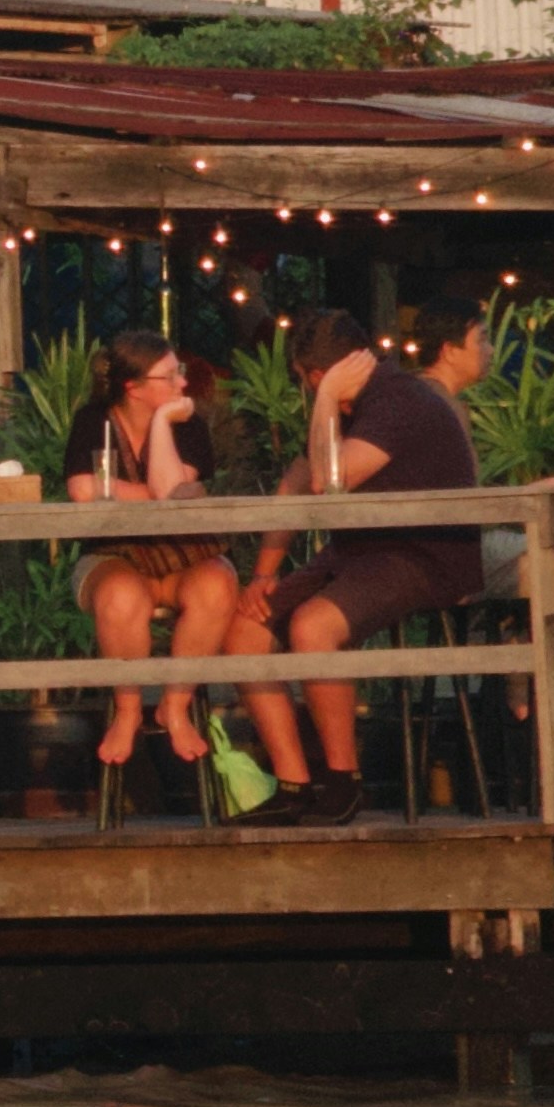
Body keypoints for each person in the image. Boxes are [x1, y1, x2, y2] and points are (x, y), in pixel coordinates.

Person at [224, 304, 481, 828]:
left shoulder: (398, 399)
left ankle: (343, 783)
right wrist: (263, 573)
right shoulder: (341, 408)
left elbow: (328, 481)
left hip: (423, 551)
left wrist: (321, 401)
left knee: (313, 626)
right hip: (358, 551)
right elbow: (296, 483)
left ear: (321, 375)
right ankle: (294, 783)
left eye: (308, 382)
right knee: (244, 631)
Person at [61, 331, 237, 767]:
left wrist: (161, 426)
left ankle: (174, 706)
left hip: (181, 558)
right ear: (133, 387)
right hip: (112, 556)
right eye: (171, 375)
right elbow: (83, 491)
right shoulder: (93, 420)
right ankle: (128, 709)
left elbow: (170, 488)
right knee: (121, 596)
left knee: (217, 583)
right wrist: (155, 494)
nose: (183, 383)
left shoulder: (189, 425)